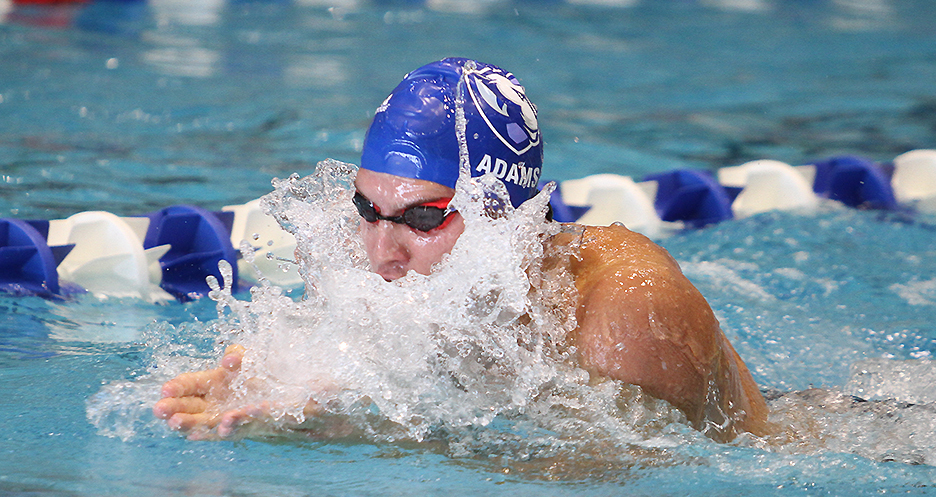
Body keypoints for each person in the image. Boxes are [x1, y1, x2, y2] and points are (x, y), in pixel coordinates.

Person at [154, 57, 770, 443]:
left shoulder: (627, 311)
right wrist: (274, 384)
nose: (380, 252)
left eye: (423, 218)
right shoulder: (387, 260)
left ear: (503, 218)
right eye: (368, 209)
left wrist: (351, 429)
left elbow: (621, 483)